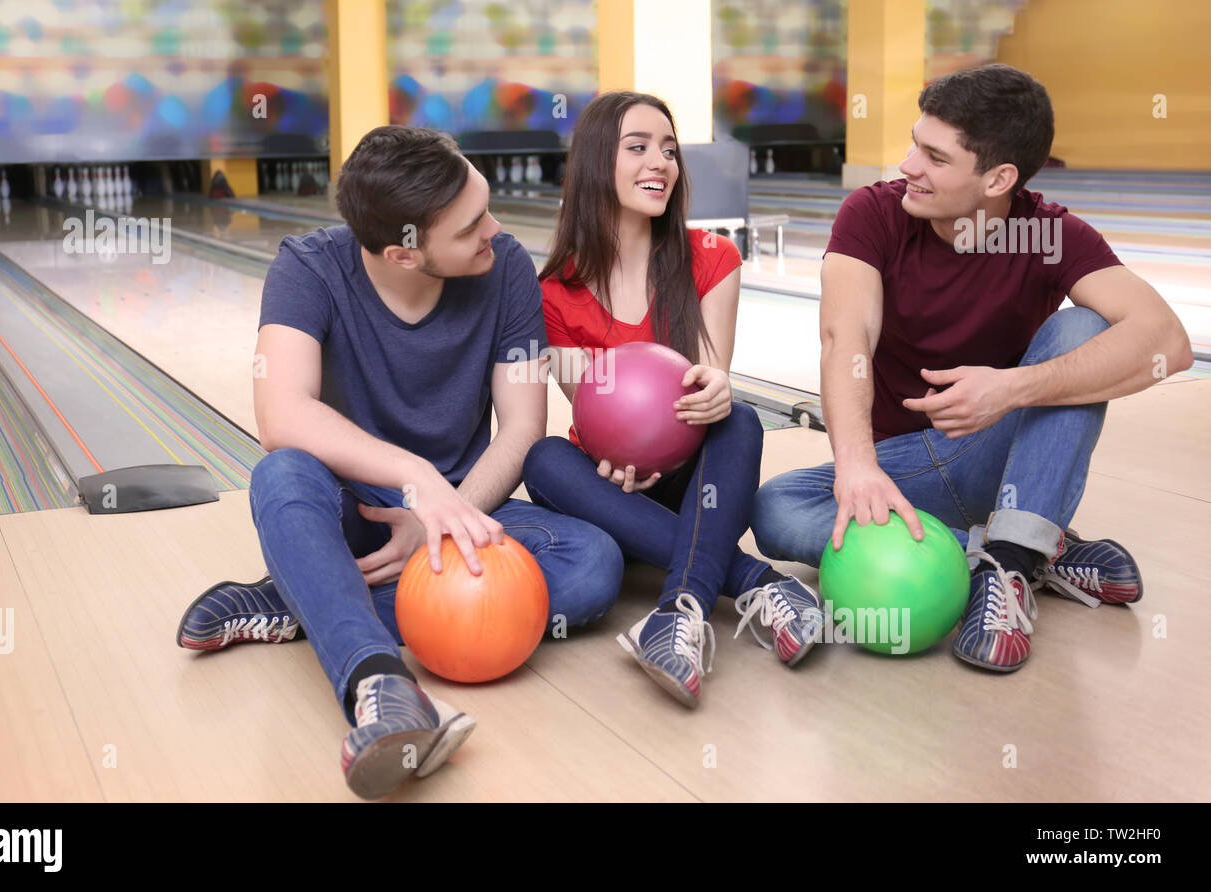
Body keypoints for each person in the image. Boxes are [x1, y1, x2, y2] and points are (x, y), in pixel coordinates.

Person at [176, 125, 624, 799]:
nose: (496, 230)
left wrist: (447, 513)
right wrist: (418, 485)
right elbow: (282, 416)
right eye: (472, 225)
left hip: (466, 511)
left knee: (592, 563)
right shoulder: (308, 267)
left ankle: (308, 597)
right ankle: (379, 682)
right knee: (281, 474)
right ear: (405, 253)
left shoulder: (504, 268)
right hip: (352, 517)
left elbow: (525, 425)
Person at [751, 64, 1194, 672]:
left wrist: (1012, 388)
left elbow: (1166, 341)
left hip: (991, 452)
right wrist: (856, 466)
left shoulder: (1049, 233)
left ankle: (1010, 570)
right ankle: (1025, 549)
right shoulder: (873, 215)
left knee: (1082, 330)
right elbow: (843, 336)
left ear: (998, 178)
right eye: (914, 143)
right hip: (900, 471)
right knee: (776, 508)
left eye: (934, 156)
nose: (908, 165)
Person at [521, 91, 824, 710]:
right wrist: (614, 458)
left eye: (668, 149)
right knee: (545, 458)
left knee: (737, 418)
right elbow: (591, 411)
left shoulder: (713, 258)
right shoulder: (554, 291)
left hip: (699, 476)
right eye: (638, 148)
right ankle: (756, 582)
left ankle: (677, 610)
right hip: (613, 484)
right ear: (595, 163)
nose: (660, 162)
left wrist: (719, 392)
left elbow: (707, 381)